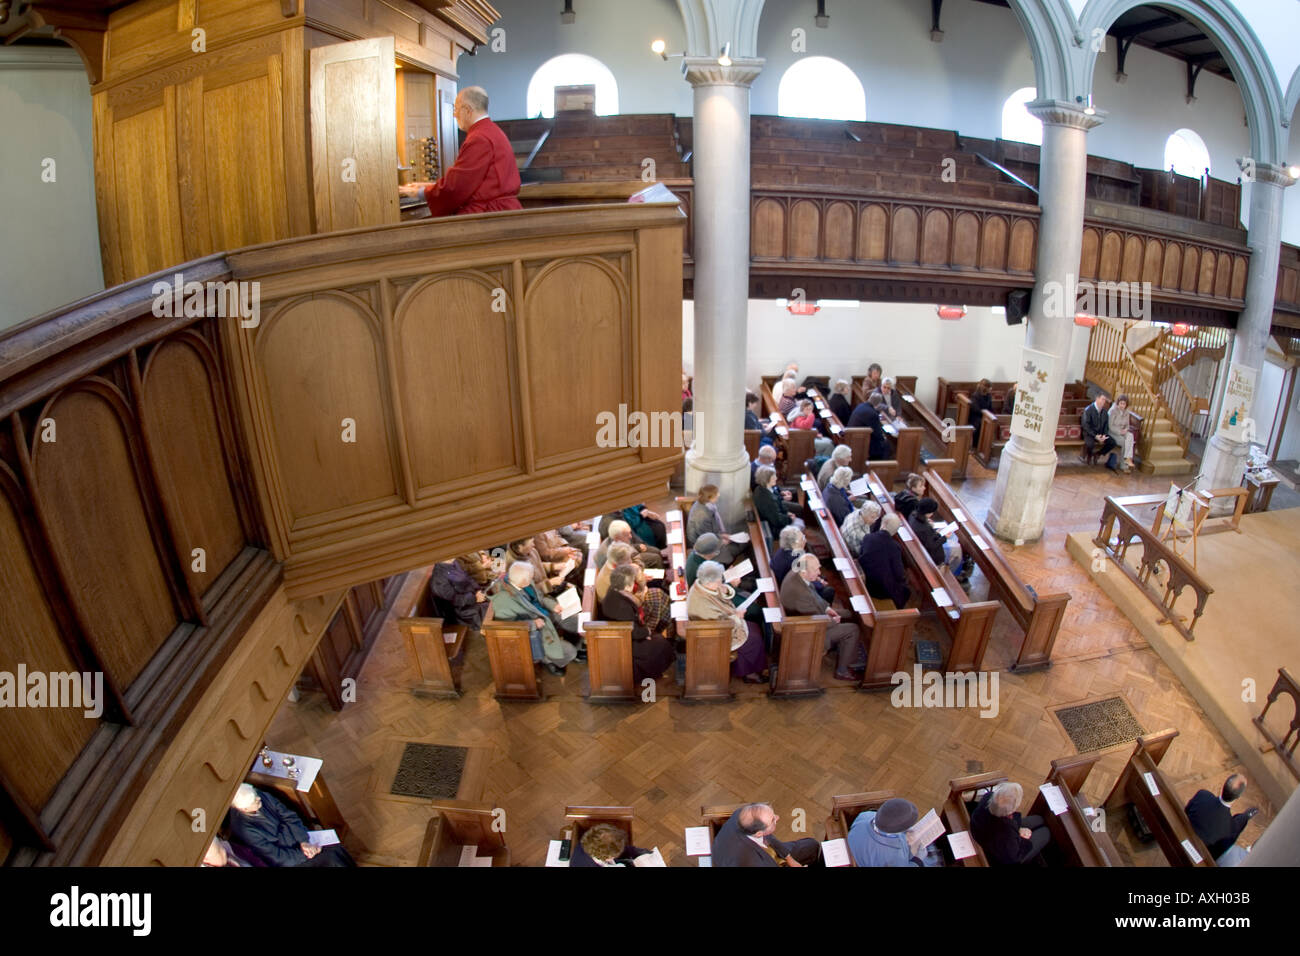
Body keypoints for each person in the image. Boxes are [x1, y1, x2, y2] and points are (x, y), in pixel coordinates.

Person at [399, 87, 521, 217]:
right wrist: (430, 186)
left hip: (488, 216)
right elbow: (472, 181)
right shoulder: (491, 131)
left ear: (467, 110)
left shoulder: (479, 138)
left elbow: (458, 188)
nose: (454, 114)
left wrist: (420, 193)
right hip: (499, 212)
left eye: (456, 109)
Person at [779, 553, 862, 681]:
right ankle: (842, 671)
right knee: (853, 629)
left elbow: (813, 594)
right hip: (808, 633)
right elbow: (817, 621)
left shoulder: (799, 572)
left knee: (850, 613)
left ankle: (848, 649)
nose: (819, 573)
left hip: (813, 616)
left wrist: (827, 609)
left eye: (819, 568)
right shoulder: (800, 593)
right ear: (805, 572)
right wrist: (833, 621)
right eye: (816, 569)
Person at [227, 784, 355, 867]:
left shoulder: (257, 795)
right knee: (331, 859)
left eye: (257, 797)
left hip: (301, 842)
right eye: (255, 801)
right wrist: (304, 853)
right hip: (290, 859)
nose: (259, 799)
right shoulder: (244, 829)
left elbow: (290, 816)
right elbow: (275, 856)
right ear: (244, 809)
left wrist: (303, 841)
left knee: (335, 850)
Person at [490, 561, 578, 674]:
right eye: (530, 577)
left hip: (544, 615)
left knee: (574, 620)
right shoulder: (503, 600)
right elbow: (508, 627)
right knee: (570, 652)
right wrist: (532, 624)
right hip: (535, 630)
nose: (532, 579)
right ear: (523, 581)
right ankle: (547, 660)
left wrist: (553, 605)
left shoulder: (522, 581)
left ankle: (571, 642)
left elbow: (540, 597)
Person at [687, 560, 768, 683]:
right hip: (715, 635)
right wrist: (737, 616)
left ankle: (747, 668)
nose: (721, 582)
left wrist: (725, 589)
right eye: (719, 580)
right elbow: (719, 625)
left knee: (754, 629)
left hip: (724, 621)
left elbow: (717, 595)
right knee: (754, 640)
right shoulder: (701, 605)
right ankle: (749, 673)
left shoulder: (701, 583)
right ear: (710, 582)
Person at [600, 566, 677, 685]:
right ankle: (648, 675)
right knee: (660, 645)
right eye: (632, 583)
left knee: (658, 641)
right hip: (623, 640)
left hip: (624, 631)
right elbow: (633, 631)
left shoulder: (614, 588)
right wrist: (647, 632)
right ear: (626, 587)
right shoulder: (622, 607)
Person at [711, 803, 821, 867]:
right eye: (773, 820)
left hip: (764, 851)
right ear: (759, 833)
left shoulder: (742, 816)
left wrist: (789, 858)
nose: (778, 817)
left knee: (812, 846)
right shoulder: (753, 862)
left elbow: (767, 835)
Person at [970, 782, 1051, 865]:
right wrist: (1022, 839)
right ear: (1011, 810)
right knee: (1045, 833)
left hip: (986, 830)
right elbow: (1014, 857)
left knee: (1038, 819)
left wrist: (1018, 831)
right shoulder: (1007, 832)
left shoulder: (987, 797)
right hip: (996, 851)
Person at [1185, 774, 1258, 866]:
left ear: (1223, 786)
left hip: (1181, 835)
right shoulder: (1230, 829)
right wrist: (1246, 816)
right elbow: (1219, 853)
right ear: (1238, 797)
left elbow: (1186, 811)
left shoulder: (1203, 795)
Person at [846, 798, 941, 867]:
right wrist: (918, 860)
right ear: (900, 830)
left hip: (860, 850)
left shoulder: (865, 816)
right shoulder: (895, 857)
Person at [858, 514, 911, 608]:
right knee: (905, 591)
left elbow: (861, 556)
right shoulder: (895, 546)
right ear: (895, 531)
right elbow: (898, 573)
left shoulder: (868, 537)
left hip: (867, 578)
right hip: (881, 588)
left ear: (883, 524)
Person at [769, 527, 835, 602]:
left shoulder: (783, 550)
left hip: (787, 583)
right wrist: (820, 584)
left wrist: (818, 579)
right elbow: (803, 584)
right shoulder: (794, 560)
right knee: (829, 591)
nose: (805, 540)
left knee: (820, 576)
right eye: (802, 538)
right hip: (793, 594)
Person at [687, 484, 744, 565]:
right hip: (700, 544)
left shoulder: (705, 504)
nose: (719, 495)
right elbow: (706, 538)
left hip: (709, 534)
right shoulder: (702, 516)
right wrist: (721, 541)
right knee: (731, 553)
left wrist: (722, 536)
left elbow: (710, 531)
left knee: (735, 542)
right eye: (716, 495)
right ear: (709, 498)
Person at [429, 558, 488, 630]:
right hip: (462, 612)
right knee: (490, 615)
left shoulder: (454, 562)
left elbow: (468, 578)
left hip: (472, 598)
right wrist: (474, 598)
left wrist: (477, 590)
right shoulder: (438, 578)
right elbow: (454, 600)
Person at [570, 823, 654, 867]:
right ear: (607, 857)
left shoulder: (593, 842)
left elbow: (623, 849)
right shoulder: (582, 864)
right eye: (614, 855)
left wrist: (641, 852)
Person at [595, 518, 665, 570]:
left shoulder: (617, 539)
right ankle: (660, 582)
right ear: (616, 538)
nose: (630, 536)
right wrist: (638, 564)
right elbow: (621, 569)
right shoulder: (611, 553)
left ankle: (662, 570)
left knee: (656, 550)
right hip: (627, 564)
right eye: (627, 535)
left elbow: (628, 546)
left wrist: (638, 546)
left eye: (630, 533)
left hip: (631, 554)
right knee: (656, 559)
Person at [753, 465, 802, 535]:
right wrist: (790, 519)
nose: (776, 478)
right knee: (800, 523)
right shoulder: (768, 499)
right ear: (767, 479)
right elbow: (777, 521)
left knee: (798, 514)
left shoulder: (761, 488)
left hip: (772, 520)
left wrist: (787, 513)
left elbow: (778, 505)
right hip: (773, 529)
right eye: (774, 477)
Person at [847, 393, 892, 461]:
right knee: (886, 445)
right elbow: (878, 434)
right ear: (878, 404)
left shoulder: (861, 405)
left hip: (852, 435)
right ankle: (879, 466)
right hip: (860, 440)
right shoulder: (872, 414)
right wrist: (884, 437)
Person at [1081, 393, 1117, 467]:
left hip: (1100, 434)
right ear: (1097, 399)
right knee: (1090, 444)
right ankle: (1089, 456)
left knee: (1112, 442)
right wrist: (1095, 436)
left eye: (1105, 400)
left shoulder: (1104, 412)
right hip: (1089, 434)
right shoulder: (1088, 410)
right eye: (1102, 399)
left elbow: (1106, 426)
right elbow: (1085, 426)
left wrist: (1103, 435)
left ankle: (1098, 454)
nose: (1104, 402)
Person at [1108, 393, 1136, 472]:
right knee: (1124, 442)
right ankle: (1123, 465)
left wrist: (1126, 430)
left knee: (1130, 436)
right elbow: (1110, 426)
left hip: (1123, 432)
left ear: (1126, 405)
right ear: (1118, 403)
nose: (1122, 405)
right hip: (1113, 432)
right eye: (1121, 403)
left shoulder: (1127, 413)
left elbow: (1127, 425)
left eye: (1124, 404)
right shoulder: (1113, 411)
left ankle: (1127, 459)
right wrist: (1120, 432)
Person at [969, 379, 995, 445]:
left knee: (991, 422)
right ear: (985, 388)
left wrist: (992, 415)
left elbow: (990, 408)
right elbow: (975, 409)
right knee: (980, 423)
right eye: (990, 388)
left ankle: (986, 444)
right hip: (976, 417)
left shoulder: (989, 396)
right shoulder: (975, 396)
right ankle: (976, 444)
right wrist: (985, 413)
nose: (991, 389)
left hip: (985, 416)